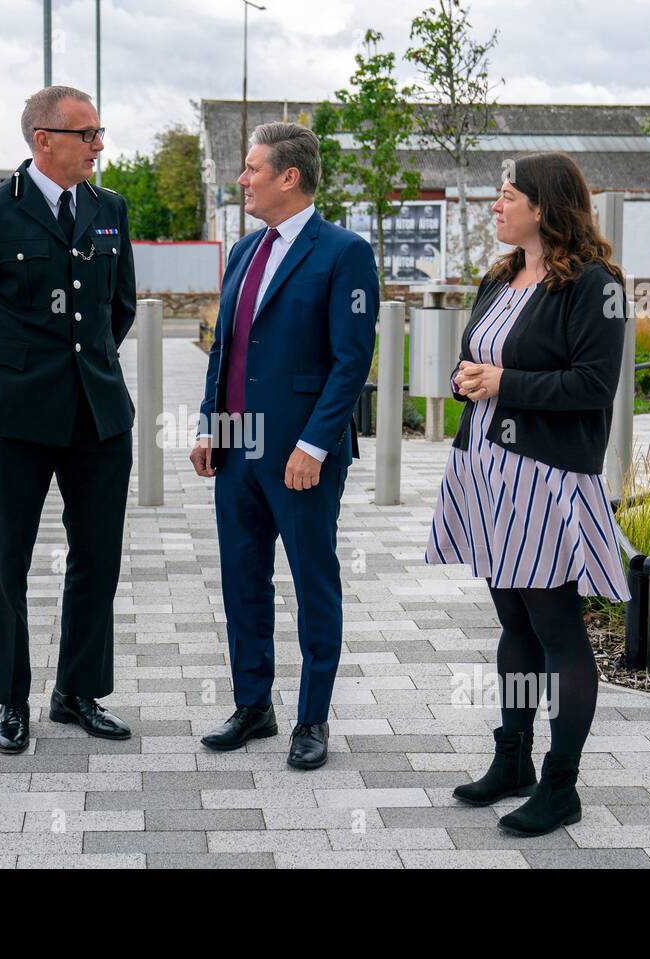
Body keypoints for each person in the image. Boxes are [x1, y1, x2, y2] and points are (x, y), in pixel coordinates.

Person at [425, 150, 630, 837]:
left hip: (546, 477)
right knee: (513, 623)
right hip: (486, 469)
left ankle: (560, 784)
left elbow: (593, 387)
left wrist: (503, 384)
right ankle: (510, 758)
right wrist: (468, 378)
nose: (496, 204)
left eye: (506, 194)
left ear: (542, 205)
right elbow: (473, 361)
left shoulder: (595, 283)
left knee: (557, 627)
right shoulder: (502, 276)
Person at [0, 86, 136, 755]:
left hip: (97, 414)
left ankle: (77, 691)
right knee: (7, 559)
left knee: (98, 556)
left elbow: (120, 309)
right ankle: (10, 698)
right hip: (16, 415)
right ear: (43, 139)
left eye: (99, 133)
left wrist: (91, 364)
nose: (98, 146)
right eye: (87, 134)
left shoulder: (110, 209)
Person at [192, 122, 378, 770]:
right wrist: (208, 426)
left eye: (252, 169)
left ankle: (312, 717)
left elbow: (350, 361)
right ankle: (254, 705)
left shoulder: (344, 253)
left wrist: (314, 445)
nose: (242, 179)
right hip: (238, 448)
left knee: (313, 584)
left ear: (289, 177)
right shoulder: (243, 251)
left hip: (302, 455)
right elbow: (226, 347)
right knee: (242, 581)